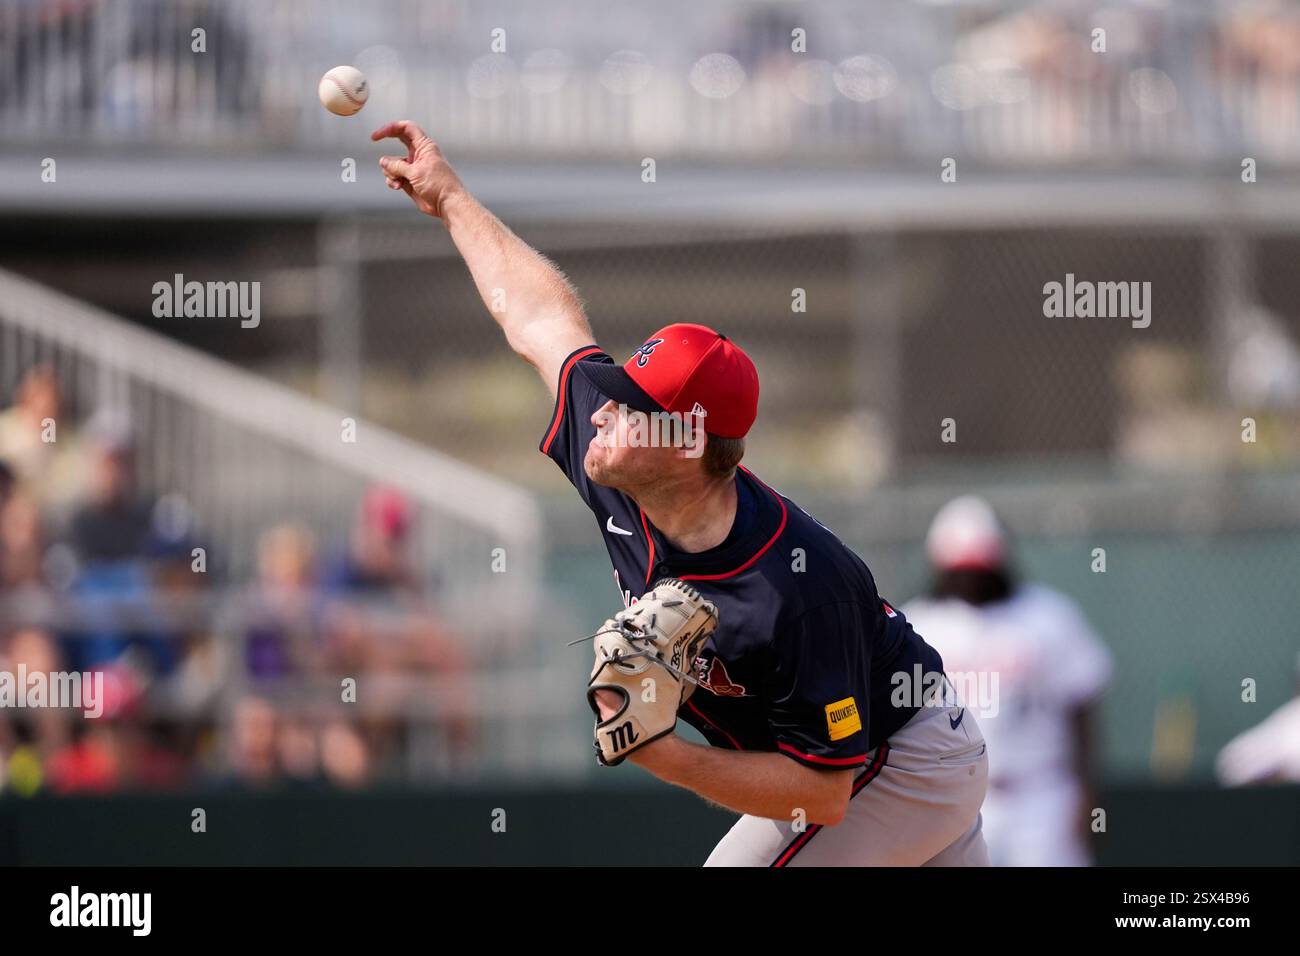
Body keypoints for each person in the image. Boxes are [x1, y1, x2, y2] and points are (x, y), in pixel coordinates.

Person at [372, 119, 989, 866]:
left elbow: (823, 792)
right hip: (863, 768)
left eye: (630, 407)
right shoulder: (619, 460)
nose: (600, 409)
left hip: (899, 763)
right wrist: (452, 198)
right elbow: (535, 316)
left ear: (686, 441)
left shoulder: (794, 586)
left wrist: (657, 752)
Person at [903, 496, 1112, 867]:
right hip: (951, 799)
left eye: (979, 568)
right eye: (960, 568)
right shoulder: (914, 625)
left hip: (1039, 795)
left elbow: (1082, 704)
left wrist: (1086, 791)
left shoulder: (1047, 616)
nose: (970, 579)